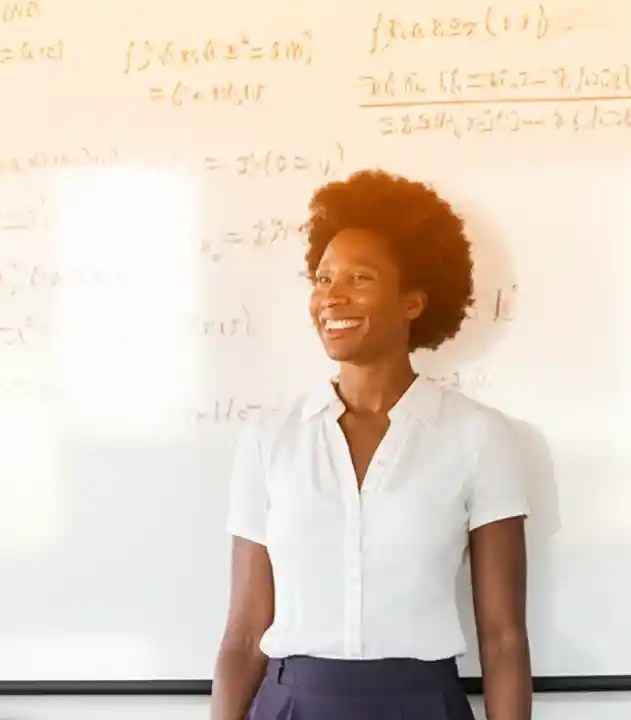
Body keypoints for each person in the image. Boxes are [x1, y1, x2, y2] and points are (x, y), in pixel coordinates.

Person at [209, 169, 533, 719]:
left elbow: (503, 641)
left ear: (413, 301)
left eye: (360, 277)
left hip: (422, 704)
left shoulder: (479, 437)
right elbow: (243, 636)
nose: (331, 295)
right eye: (322, 277)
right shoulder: (269, 440)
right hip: (292, 704)